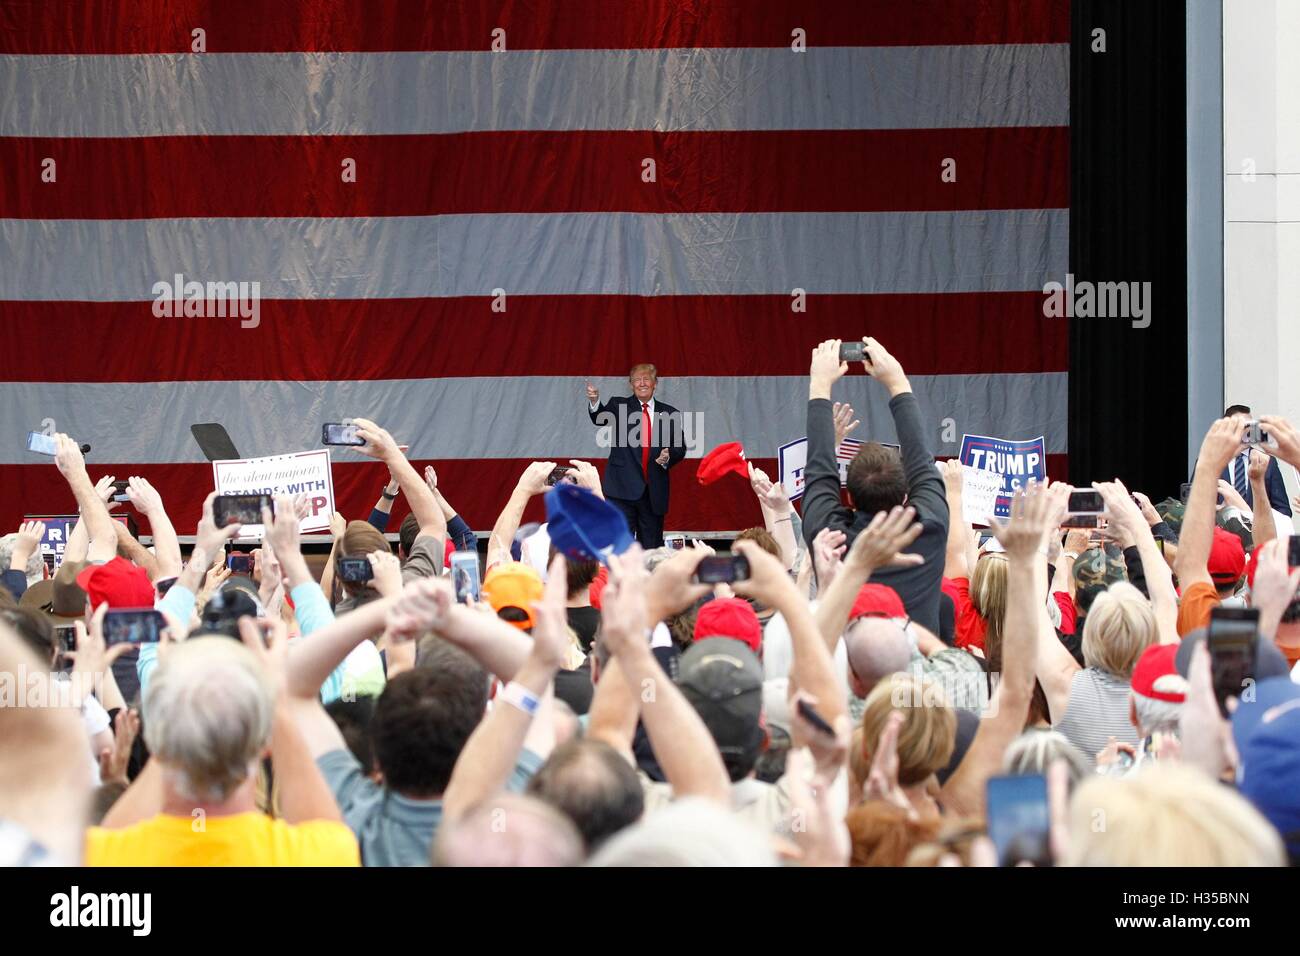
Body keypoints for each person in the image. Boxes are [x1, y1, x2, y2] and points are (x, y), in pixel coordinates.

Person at [801, 338, 949, 633]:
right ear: (906, 494)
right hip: (916, 678)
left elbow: (819, 475)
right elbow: (921, 460)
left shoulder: (829, 539)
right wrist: (897, 381)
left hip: (846, 677)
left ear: (850, 498)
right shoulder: (929, 526)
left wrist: (820, 386)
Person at [586, 364, 687, 548]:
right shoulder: (619, 405)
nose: (642, 383)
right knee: (619, 547)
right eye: (637, 380)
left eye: (646, 379)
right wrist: (595, 402)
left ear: (655, 383)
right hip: (621, 491)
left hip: (653, 493)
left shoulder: (669, 413)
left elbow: (680, 447)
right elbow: (600, 417)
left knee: (651, 549)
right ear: (631, 384)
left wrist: (669, 455)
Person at [1219, 404, 1293, 529]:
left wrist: (1259, 520)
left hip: (1257, 537)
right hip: (1220, 539)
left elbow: (1284, 511)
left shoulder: (1267, 461)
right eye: (1243, 426)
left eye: (1251, 425)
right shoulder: (1212, 462)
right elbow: (1194, 505)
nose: (1248, 430)